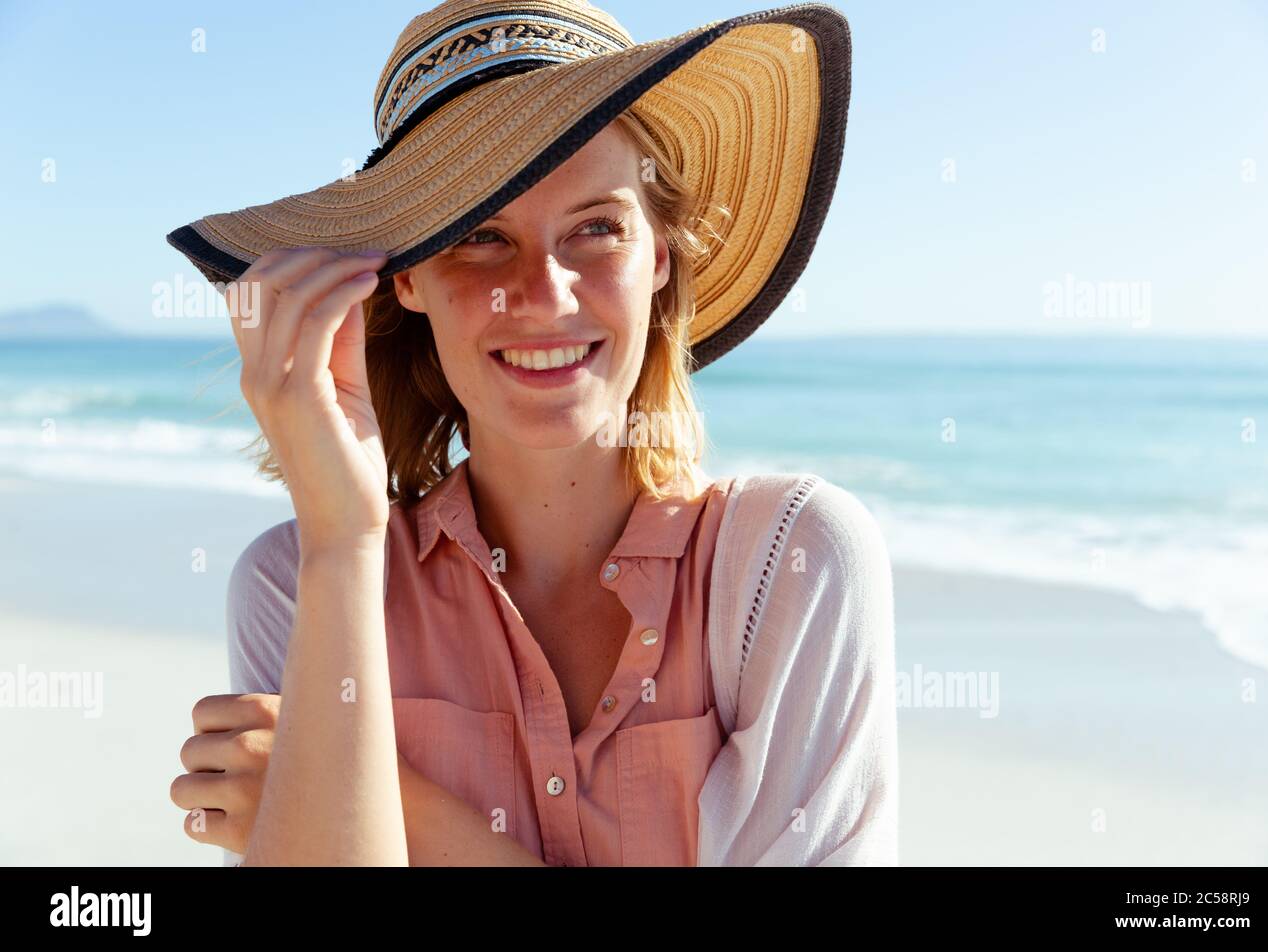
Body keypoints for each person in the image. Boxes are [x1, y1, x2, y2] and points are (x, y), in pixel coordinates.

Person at [166, 0, 895, 866]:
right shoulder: (296, 585)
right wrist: (344, 543)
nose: (544, 294)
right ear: (402, 281)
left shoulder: (791, 562)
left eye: (596, 227)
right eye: (480, 236)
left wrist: (406, 810)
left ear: (657, 257)